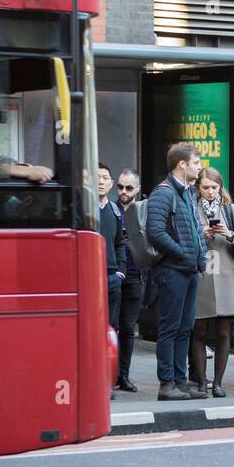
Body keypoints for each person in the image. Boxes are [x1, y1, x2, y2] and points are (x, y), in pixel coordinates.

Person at [146, 144, 208, 401]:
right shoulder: (163, 193)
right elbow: (155, 232)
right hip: (172, 271)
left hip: (190, 270)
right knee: (170, 328)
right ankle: (166, 383)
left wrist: (200, 258)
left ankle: (180, 381)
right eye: (195, 162)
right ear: (181, 164)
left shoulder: (188, 193)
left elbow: (195, 230)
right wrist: (183, 253)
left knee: (185, 328)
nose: (199, 166)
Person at [191, 167, 234, 397]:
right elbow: (184, 238)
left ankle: (219, 383)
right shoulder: (191, 208)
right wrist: (200, 234)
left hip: (226, 273)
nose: (211, 192)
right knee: (199, 329)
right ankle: (202, 382)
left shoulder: (230, 210)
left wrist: (230, 235)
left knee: (224, 330)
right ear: (198, 188)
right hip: (202, 272)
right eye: (206, 187)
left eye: (215, 187)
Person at [97, 164, 127, 400]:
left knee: (111, 330)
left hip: (112, 277)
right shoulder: (85, 209)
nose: (101, 181)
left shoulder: (116, 212)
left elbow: (120, 244)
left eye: (105, 177)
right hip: (91, 279)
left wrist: (120, 272)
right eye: (96, 177)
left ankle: (109, 382)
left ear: (110, 184)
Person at [114, 169, 145, 392]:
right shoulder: (111, 209)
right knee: (110, 327)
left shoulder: (144, 210)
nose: (123, 192)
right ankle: (110, 375)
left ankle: (123, 375)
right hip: (114, 273)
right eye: (120, 187)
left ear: (138, 189)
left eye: (129, 188)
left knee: (127, 328)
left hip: (135, 275)